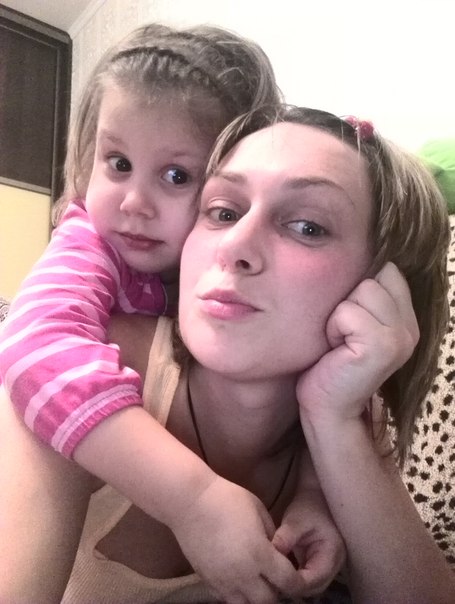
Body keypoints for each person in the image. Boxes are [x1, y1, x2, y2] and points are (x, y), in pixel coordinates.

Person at [2, 103, 455, 604]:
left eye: (307, 226)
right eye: (223, 212)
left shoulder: (353, 411)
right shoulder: (77, 371)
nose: (234, 245)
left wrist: (333, 420)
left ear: (385, 287)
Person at [0, 26, 344, 603]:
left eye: (177, 176)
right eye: (117, 163)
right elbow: (35, 346)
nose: (134, 202)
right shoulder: (90, 241)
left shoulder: (248, 282)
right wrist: (193, 499)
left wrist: (313, 491)